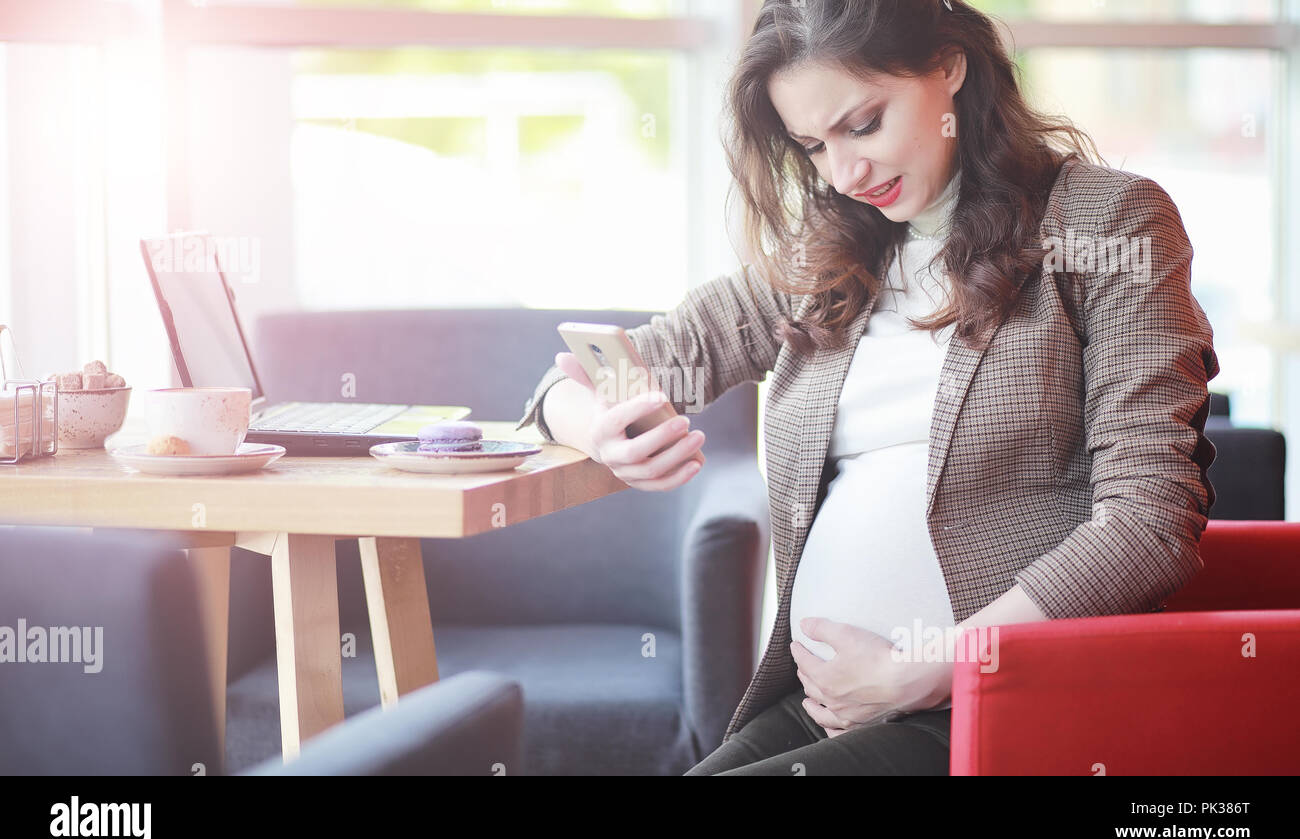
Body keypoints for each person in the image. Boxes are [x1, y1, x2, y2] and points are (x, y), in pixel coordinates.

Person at [515, 0, 1220, 776]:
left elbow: (1149, 519)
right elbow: (575, 378)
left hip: (1009, 703)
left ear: (949, 65)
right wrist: (597, 426)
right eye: (813, 146)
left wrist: (933, 667)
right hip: (833, 707)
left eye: (864, 124)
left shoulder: (1109, 221)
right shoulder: (828, 258)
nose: (845, 173)